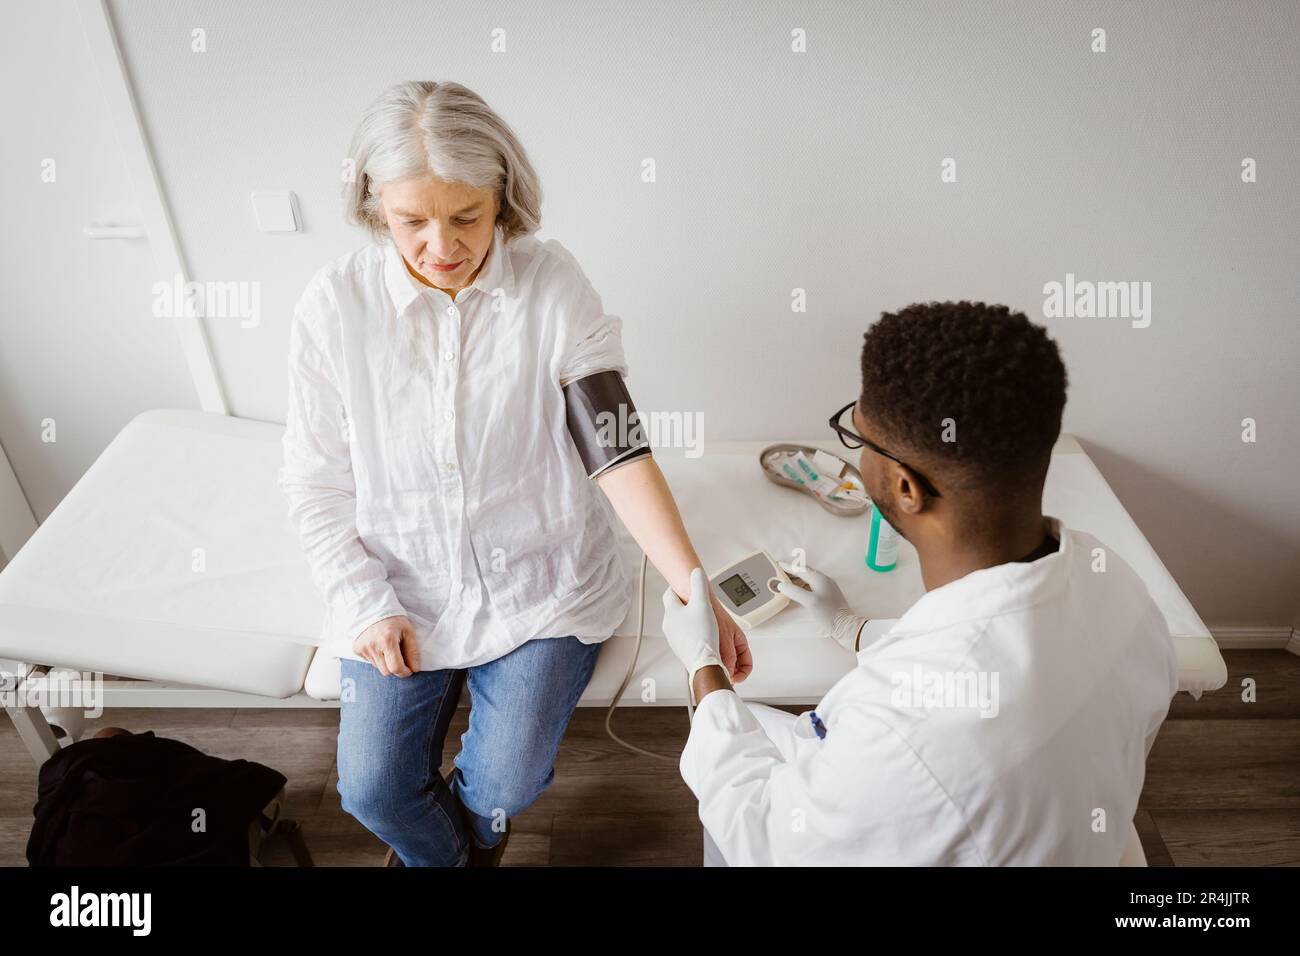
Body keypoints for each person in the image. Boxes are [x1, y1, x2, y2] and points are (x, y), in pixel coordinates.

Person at [278, 80, 750, 867]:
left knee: (508, 783)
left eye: (466, 216)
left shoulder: (553, 286)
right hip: (400, 584)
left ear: (504, 196)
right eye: (410, 221)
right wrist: (364, 601)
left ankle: (454, 846)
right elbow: (315, 483)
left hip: (546, 582)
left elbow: (618, 450)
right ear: (372, 207)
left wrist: (696, 590)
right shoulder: (333, 308)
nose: (441, 246)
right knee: (371, 792)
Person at [660, 301, 1179, 865]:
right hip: (1060, 830)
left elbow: (763, 837)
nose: (854, 455)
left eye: (858, 439)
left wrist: (701, 664)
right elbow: (996, 651)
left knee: (722, 742)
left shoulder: (907, 739)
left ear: (906, 486)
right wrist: (852, 628)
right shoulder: (1119, 585)